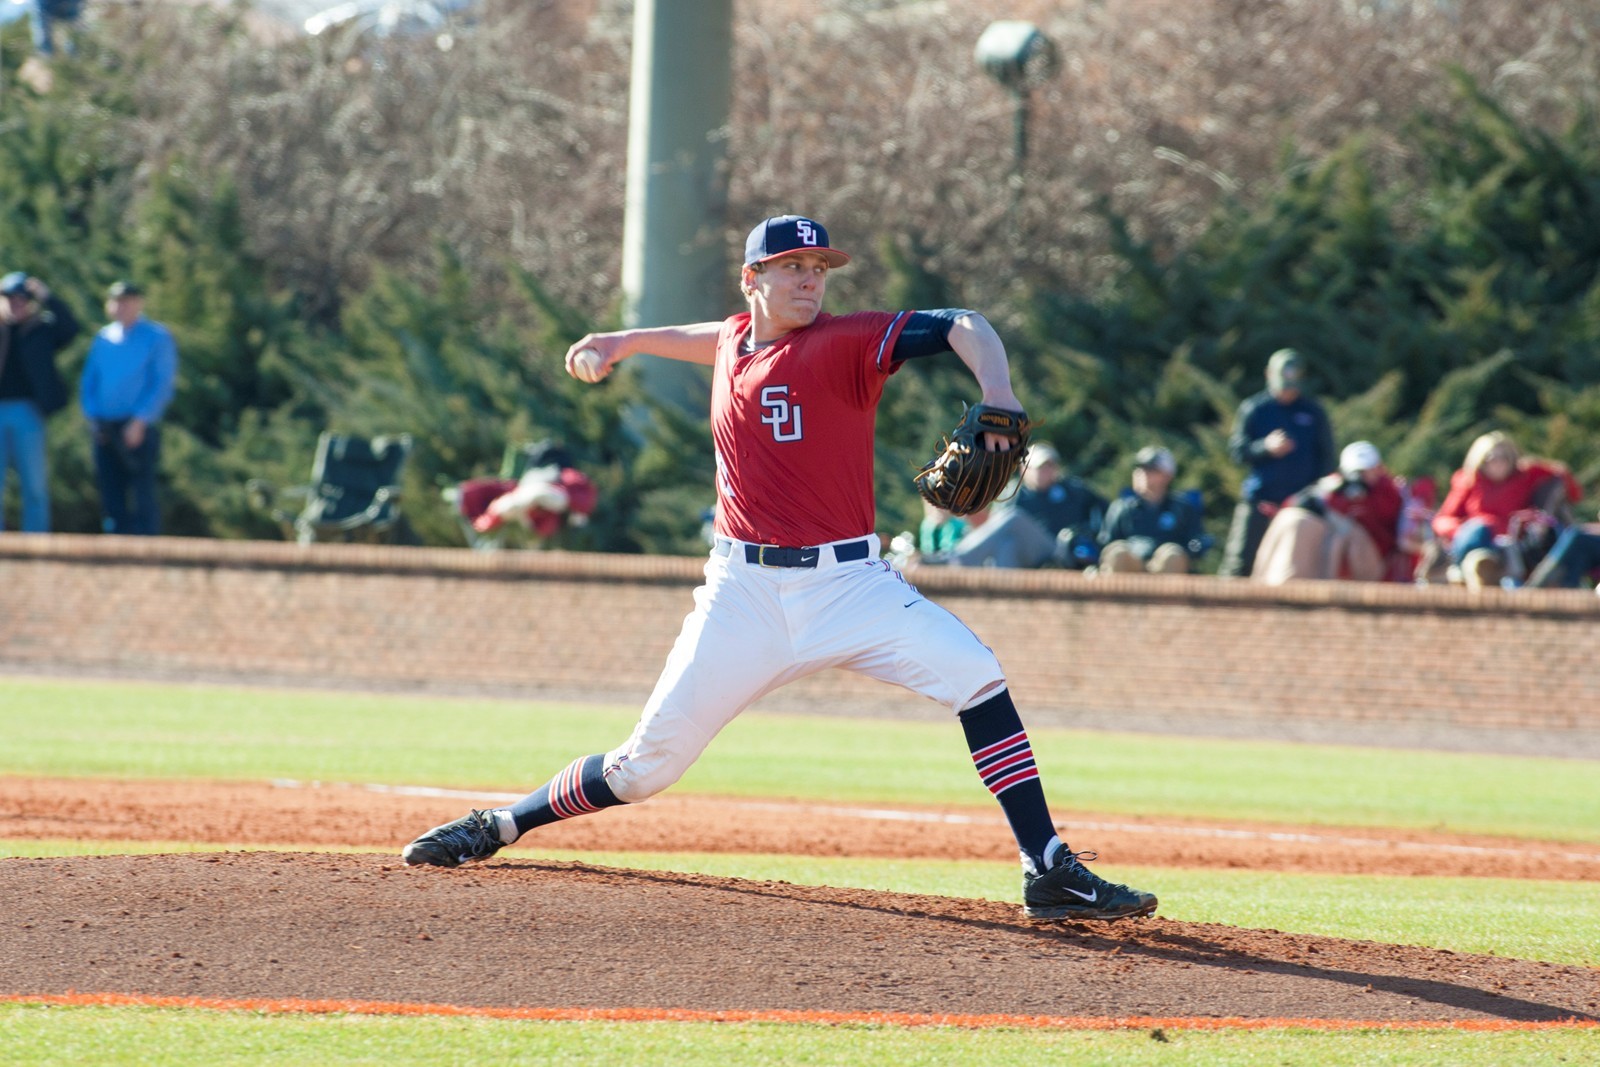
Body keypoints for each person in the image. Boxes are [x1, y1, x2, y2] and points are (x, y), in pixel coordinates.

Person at [402, 214, 1157, 922]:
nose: (810, 280)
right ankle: (499, 822)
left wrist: (999, 392)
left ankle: (1047, 864)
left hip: (850, 584)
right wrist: (621, 339)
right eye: (791, 266)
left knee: (977, 675)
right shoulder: (736, 338)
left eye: (819, 267)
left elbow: (967, 324)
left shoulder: (847, 342)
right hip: (744, 595)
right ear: (751, 278)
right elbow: (712, 337)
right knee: (643, 768)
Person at [1218, 349, 1336, 577]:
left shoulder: (1313, 412)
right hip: (1260, 500)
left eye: (1293, 385)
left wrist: (1315, 494)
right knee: (1239, 564)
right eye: (1283, 385)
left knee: (1292, 567)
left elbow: (1327, 459)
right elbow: (1237, 451)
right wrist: (1265, 447)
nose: (1288, 392)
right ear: (1268, 375)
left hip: (1299, 506)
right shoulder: (1255, 409)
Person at [79, 281, 178, 536]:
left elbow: (162, 383)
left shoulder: (156, 336)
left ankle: (147, 552)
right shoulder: (103, 338)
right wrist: (93, 419)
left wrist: (140, 420)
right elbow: (89, 382)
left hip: (137, 427)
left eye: (127, 300)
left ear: (138, 303)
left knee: (142, 492)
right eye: (116, 301)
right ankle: (115, 548)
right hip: (105, 426)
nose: (121, 306)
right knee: (110, 494)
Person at [1431, 431, 1579, 589]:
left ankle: (1479, 569)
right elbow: (1443, 519)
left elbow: (1567, 483)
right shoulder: (1468, 480)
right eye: (1491, 458)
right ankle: (1473, 566)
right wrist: (1463, 530)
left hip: (1509, 540)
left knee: (1503, 549)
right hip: (1475, 536)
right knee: (1479, 531)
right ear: (1480, 461)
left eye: (1504, 457)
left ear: (1512, 459)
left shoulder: (1526, 475)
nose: (1498, 463)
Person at [1252, 441, 1405, 584]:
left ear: (1378, 468)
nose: (1360, 477)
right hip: (1330, 537)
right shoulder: (1335, 486)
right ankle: (1273, 584)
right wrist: (1328, 491)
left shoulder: (1389, 491)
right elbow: (1295, 504)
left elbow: (1390, 529)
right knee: (1292, 519)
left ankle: (1308, 588)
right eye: (1356, 472)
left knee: (1332, 536)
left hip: (1371, 554)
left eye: (1365, 471)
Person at [935, 441, 1107, 569]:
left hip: (1060, 551)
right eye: (1038, 467)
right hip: (1028, 556)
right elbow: (994, 532)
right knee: (1007, 544)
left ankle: (956, 559)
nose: (1044, 472)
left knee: (1014, 517)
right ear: (1024, 470)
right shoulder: (1014, 494)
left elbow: (1106, 510)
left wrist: (1092, 536)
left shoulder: (1073, 491)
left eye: (1049, 466)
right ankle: (1002, 602)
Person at [0, 272, 79, 532]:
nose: (16, 304)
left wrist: (47, 296)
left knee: (34, 485)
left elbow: (70, 328)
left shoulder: (42, 329)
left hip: (29, 412)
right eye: (10, 299)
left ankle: (36, 540)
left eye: (22, 299)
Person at [1095, 445, 1208, 574]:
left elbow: (1194, 543)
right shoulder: (1121, 507)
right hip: (1130, 567)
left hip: (1165, 571)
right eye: (1139, 469)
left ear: (1167, 475)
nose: (1142, 474)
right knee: (1118, 553)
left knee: (1172, 556)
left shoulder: (1182, 508)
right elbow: (1105, 543)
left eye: (1150, 470)